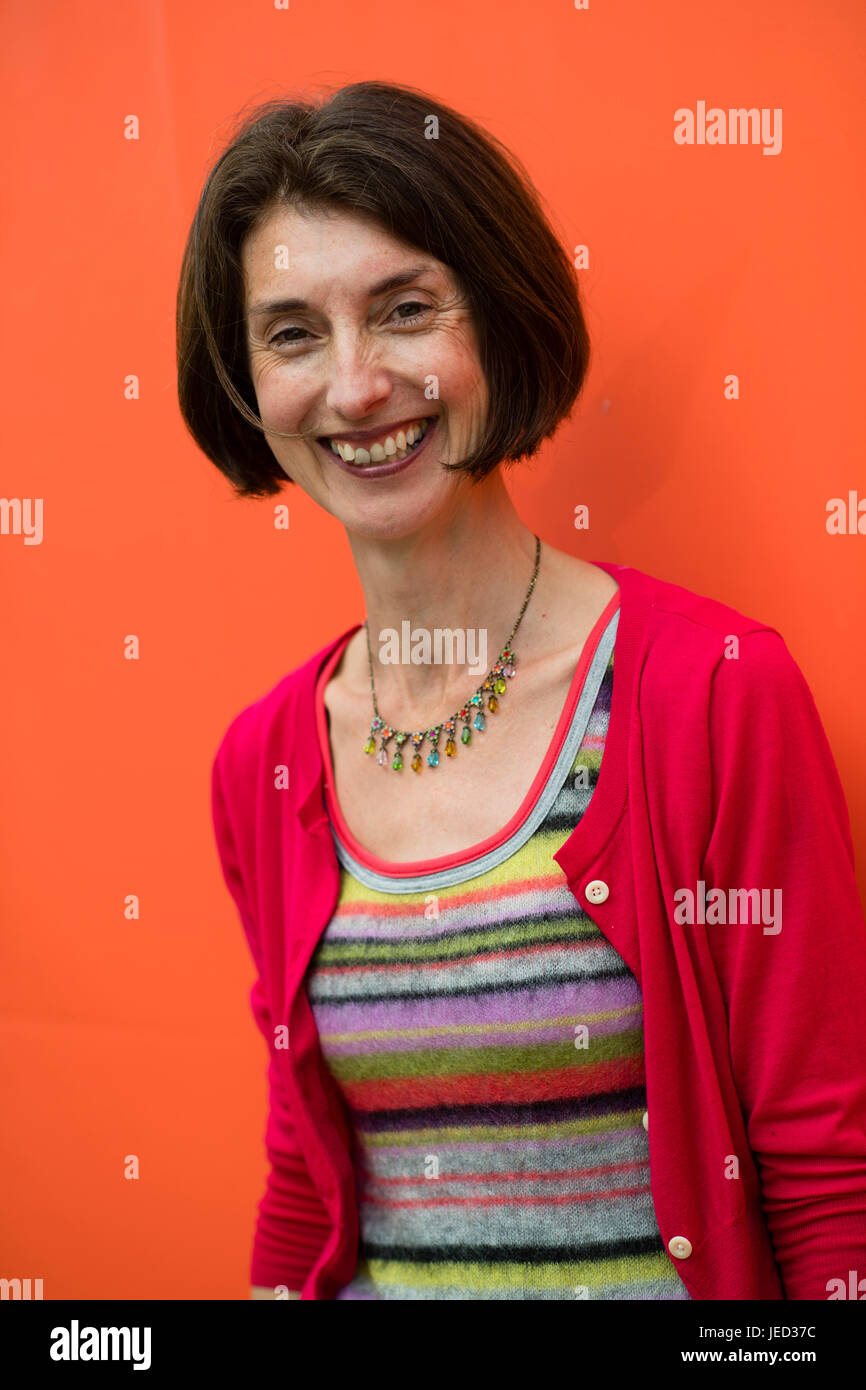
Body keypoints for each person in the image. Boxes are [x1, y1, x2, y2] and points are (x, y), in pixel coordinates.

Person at [178, 80, 866, 1300]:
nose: (353, 386)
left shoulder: (710, 695)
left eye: (403, 311)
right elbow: (305, 1176)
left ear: (496, 321)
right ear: (243, 383)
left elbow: (827, 1180)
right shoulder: (264, 760)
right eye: (291, 332)